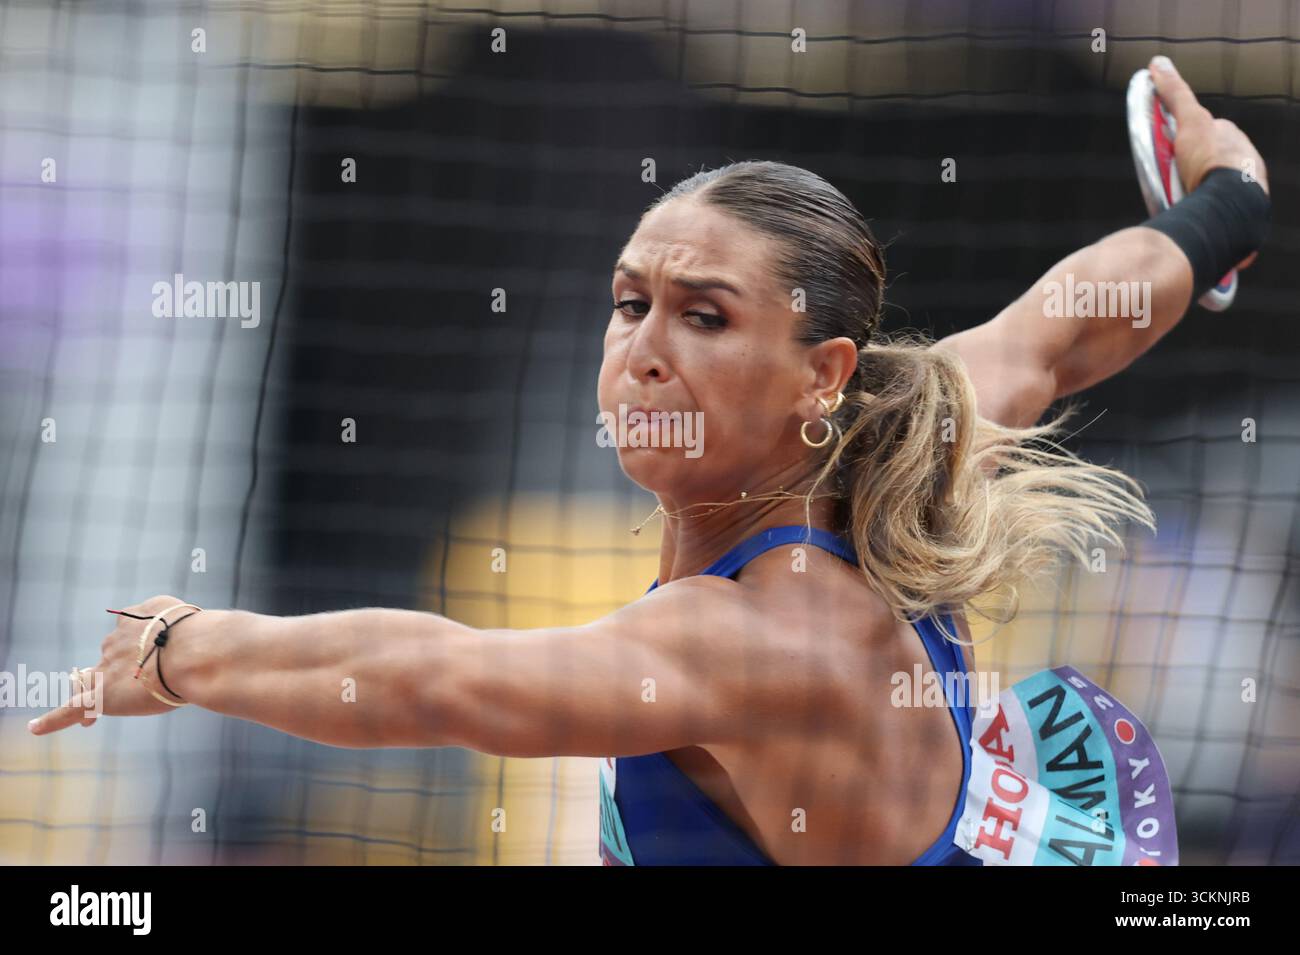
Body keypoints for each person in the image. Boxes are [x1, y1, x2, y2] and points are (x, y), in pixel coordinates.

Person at [30, 57, 1270, 866]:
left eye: (707, 315)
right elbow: (1065, 327)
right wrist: (1223, 210)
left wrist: (183, 650)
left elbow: (433, 679)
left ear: (821, 372)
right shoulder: (905, 442)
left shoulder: (742, 641)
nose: (645, 351)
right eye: (631, 302)